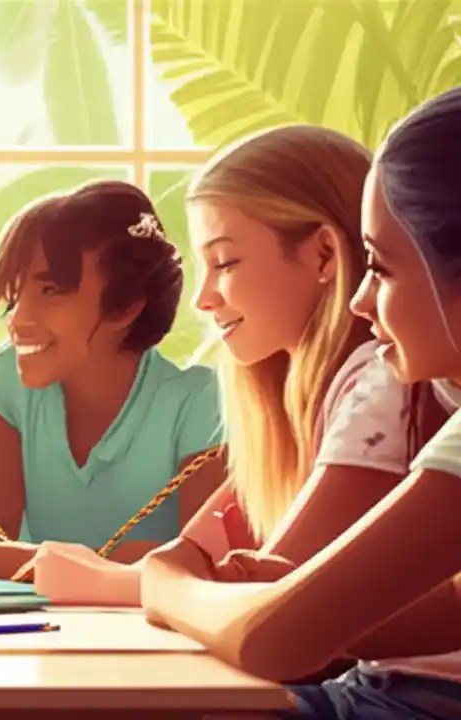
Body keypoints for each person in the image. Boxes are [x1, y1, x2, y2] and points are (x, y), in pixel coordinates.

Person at [20, 125, 438, 609]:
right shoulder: (293, 408)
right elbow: (186, 561)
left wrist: (102, 583)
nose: (202, 298)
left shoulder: (377, 387)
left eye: (225, 262)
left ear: (323, 254)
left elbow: (271, 595)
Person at [139, 89, 461, 718]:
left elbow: (276, 641)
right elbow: (446, 610)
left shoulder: (384, 391)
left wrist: (166, 585)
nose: (361, 301)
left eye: (384, 269)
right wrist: (300, 598)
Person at [0, 179, 222, 564]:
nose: (16, 320)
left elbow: (202, 567)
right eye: (16, 295)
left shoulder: (200, 405)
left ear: (127, 305)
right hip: (32, 620)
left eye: (50, 291)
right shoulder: (7, 381)